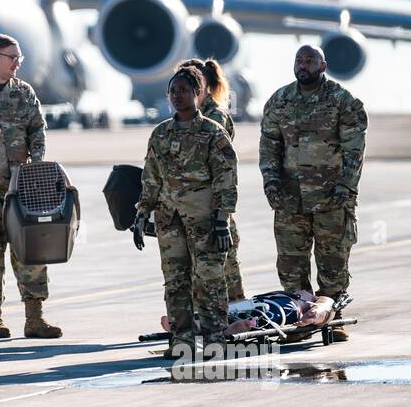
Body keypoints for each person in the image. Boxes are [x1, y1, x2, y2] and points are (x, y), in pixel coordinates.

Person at [258, 44, 368, 340]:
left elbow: (354, 149)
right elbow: (269, 146)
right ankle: (299, 320)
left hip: (331, 197)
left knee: (332, 262)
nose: (303, 66)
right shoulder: (279, 101)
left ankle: (334, 316)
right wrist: (271, 183)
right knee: (291, 263)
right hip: (289, 198)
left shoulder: (341, 100)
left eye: (309, 61)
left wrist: (346, 187)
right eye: (299, 60)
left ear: (323, 65)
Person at [0, 34, 61, 339]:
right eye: (12, 58)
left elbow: (38, 130)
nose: (18, 63)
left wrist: (36, 165)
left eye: (20, 58)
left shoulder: (24, 93)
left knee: (31, 248)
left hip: (22, 187)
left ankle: (35, 318)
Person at [132, 65, 238, 350]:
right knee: (175, 282)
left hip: (204, 220)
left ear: (198, 93)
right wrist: (142, 214)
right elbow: (151, 177)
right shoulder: (160, 134)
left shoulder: (213, 133)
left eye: (183, 91)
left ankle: (216, 339)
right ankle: (182, 341)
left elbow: (226, 179)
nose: (177, 96)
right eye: (172, 91)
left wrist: (222, 219)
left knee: (210, 281)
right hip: (169, 220)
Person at [177, 58, 246, 301]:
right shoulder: (185, 115)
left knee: (225, 267)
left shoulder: (215, 115)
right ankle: (204, 315)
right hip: (191, 206)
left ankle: (236, 313)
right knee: (197, 266)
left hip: (213, 204)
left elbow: (216, 164)